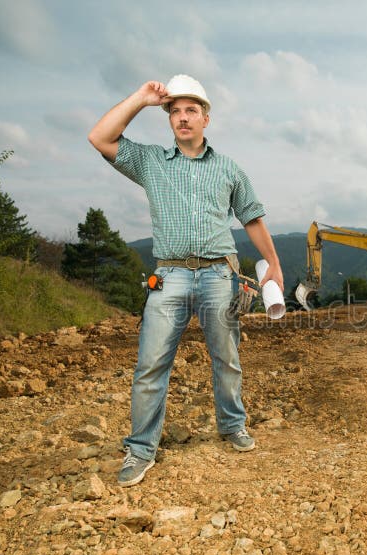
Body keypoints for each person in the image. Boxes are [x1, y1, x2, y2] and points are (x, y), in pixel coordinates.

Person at [88, 74, 283, 487]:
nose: (182, 117)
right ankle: (141, 449)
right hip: (170, 275)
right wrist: (141, 98)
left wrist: (273, 263)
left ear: (206, 118)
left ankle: (232, 426)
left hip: (218, 274)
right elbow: (100, 137)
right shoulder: (151, 163)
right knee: (150, 365)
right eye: (174, 111)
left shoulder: (229, 168)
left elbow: (252, 217)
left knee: (226, 359)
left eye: (191, 109)